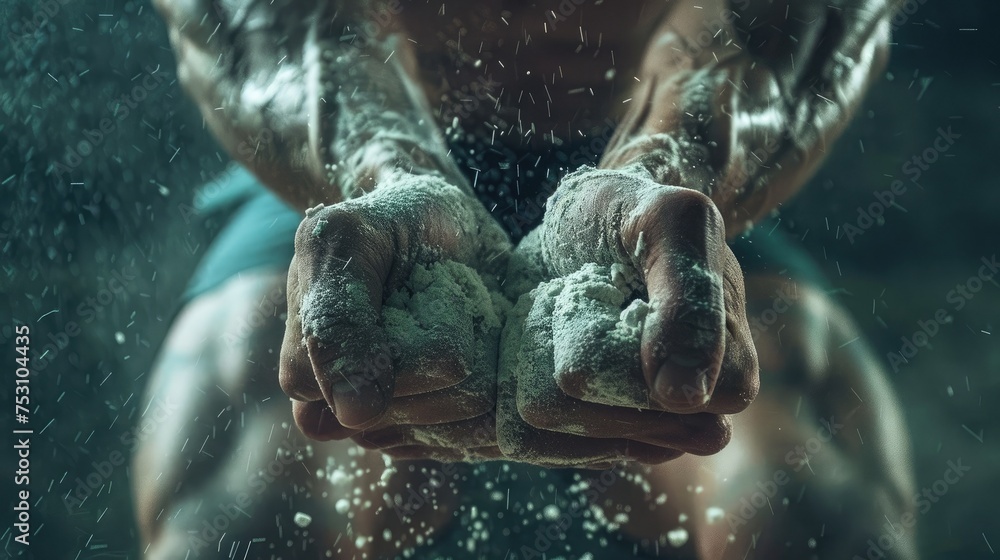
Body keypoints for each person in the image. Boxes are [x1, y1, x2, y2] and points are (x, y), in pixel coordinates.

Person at [133, 0, 917, 558]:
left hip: (668, 163)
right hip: (343, 161)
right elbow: (248, 20)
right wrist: (388, 173)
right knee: (237, 522)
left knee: (812, 514)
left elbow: (818, 19)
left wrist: (667, 167)